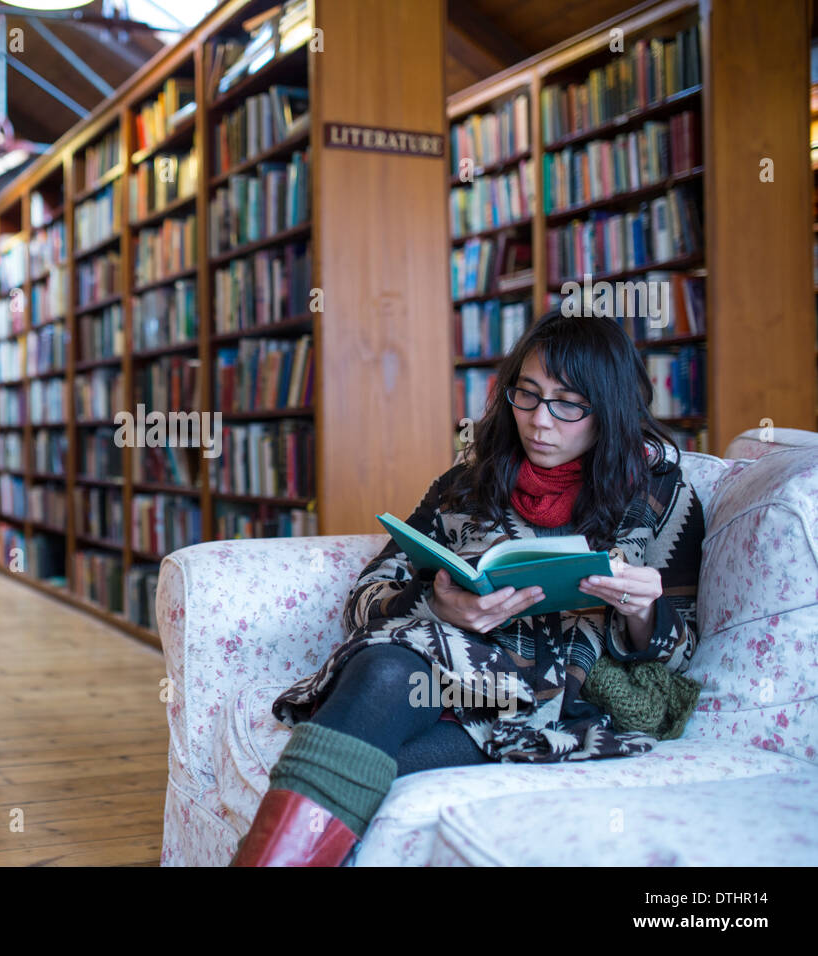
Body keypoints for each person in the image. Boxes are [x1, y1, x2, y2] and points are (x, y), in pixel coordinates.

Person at [231, 309, 706, 866]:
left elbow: (682, 652)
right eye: (525, 395)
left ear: (610, 409)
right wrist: (437, 604)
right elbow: (365, 597)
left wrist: (642, 611)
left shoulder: (661, 498)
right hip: (432, 675)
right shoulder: (466, 483)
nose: (540, 421)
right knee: (383, 671)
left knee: (358, 767)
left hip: (538, 706)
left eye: (569, 404)